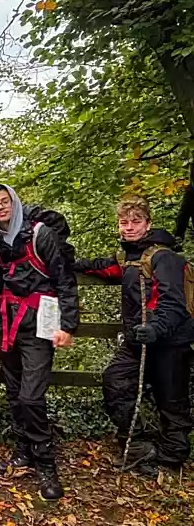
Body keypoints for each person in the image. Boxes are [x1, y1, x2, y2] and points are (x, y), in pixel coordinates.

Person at [75, 196, 192, 475]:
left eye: (135, 222)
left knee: (171, 400)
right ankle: (139, 443)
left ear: (148, 224)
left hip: (170, 342)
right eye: (123, 222)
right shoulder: (129, 258)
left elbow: (173, 302)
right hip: (136, 340)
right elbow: (101, 267)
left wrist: (155, 328)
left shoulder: (164, 257)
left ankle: (170, 461)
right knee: (114, 380)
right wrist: (64, 263)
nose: (128, 227)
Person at [0, 184, 78, 501]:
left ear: (15, 202)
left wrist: (69, 325)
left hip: (41, 323)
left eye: (5, 201)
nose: (0, 207)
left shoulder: (39, 235)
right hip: (9, 325)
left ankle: (46, 464)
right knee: (14, 394)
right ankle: (23, 450)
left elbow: (64, 279)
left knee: (31, 396)